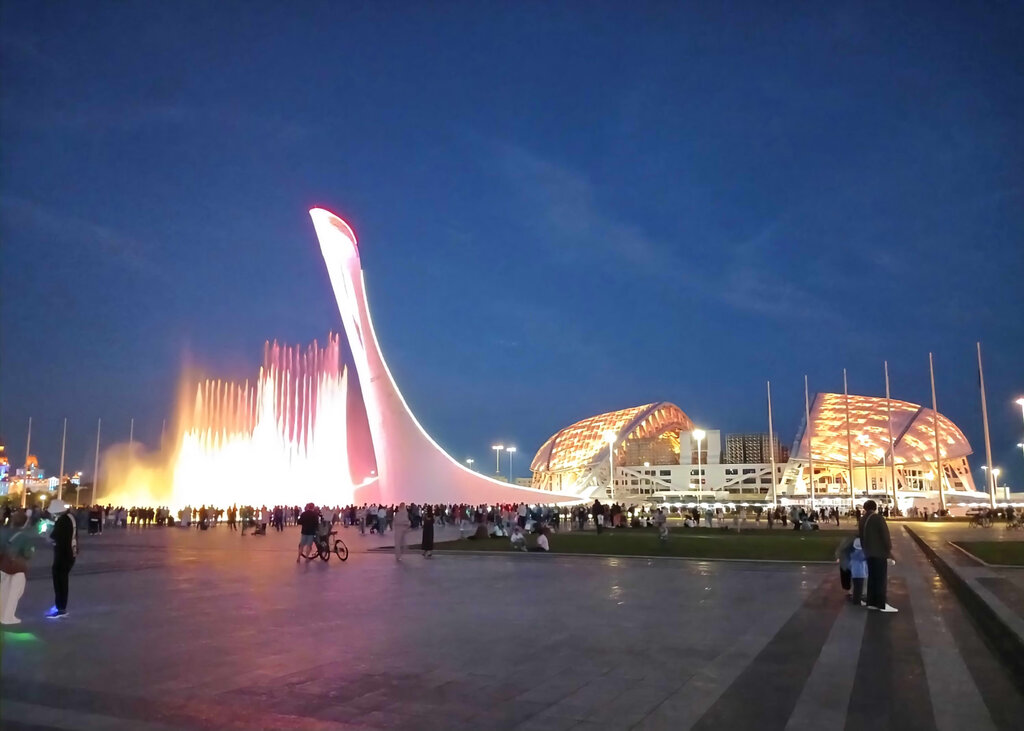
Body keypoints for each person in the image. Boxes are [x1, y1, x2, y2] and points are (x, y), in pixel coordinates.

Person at [859, 499, 897, 612]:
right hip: (879, 553)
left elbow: (861, 537)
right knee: (880, 579)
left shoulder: (863, 519)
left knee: (872, 578)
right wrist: (889, 551)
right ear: (875, 507)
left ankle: (871, 602)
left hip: (868, 553)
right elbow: (885, 535)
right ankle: (881, 604)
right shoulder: (878, 518)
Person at [1, 509, 34, 625]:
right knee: (14, 593)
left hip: (3, 565)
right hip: (17, 568)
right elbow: (27, 554)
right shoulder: (24, 537)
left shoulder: (3, 532)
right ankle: (8, 617)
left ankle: (1, 613)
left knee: (3, 591)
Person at [47, 500, 77, 619]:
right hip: (70, 553)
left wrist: (47, 534)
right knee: (63, 581)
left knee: (59, 582)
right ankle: (60, 606)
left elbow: (54, 537)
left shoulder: (62, 521)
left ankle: (61, 609)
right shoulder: (70, 517)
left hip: (63, 554)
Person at [849, 538, 868, 605]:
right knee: (859, 588)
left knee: (856, 588)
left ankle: (855, 600)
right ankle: (858, 601)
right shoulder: (862, 554)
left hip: (854, 573)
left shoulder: (853, 553)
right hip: (860, 574)